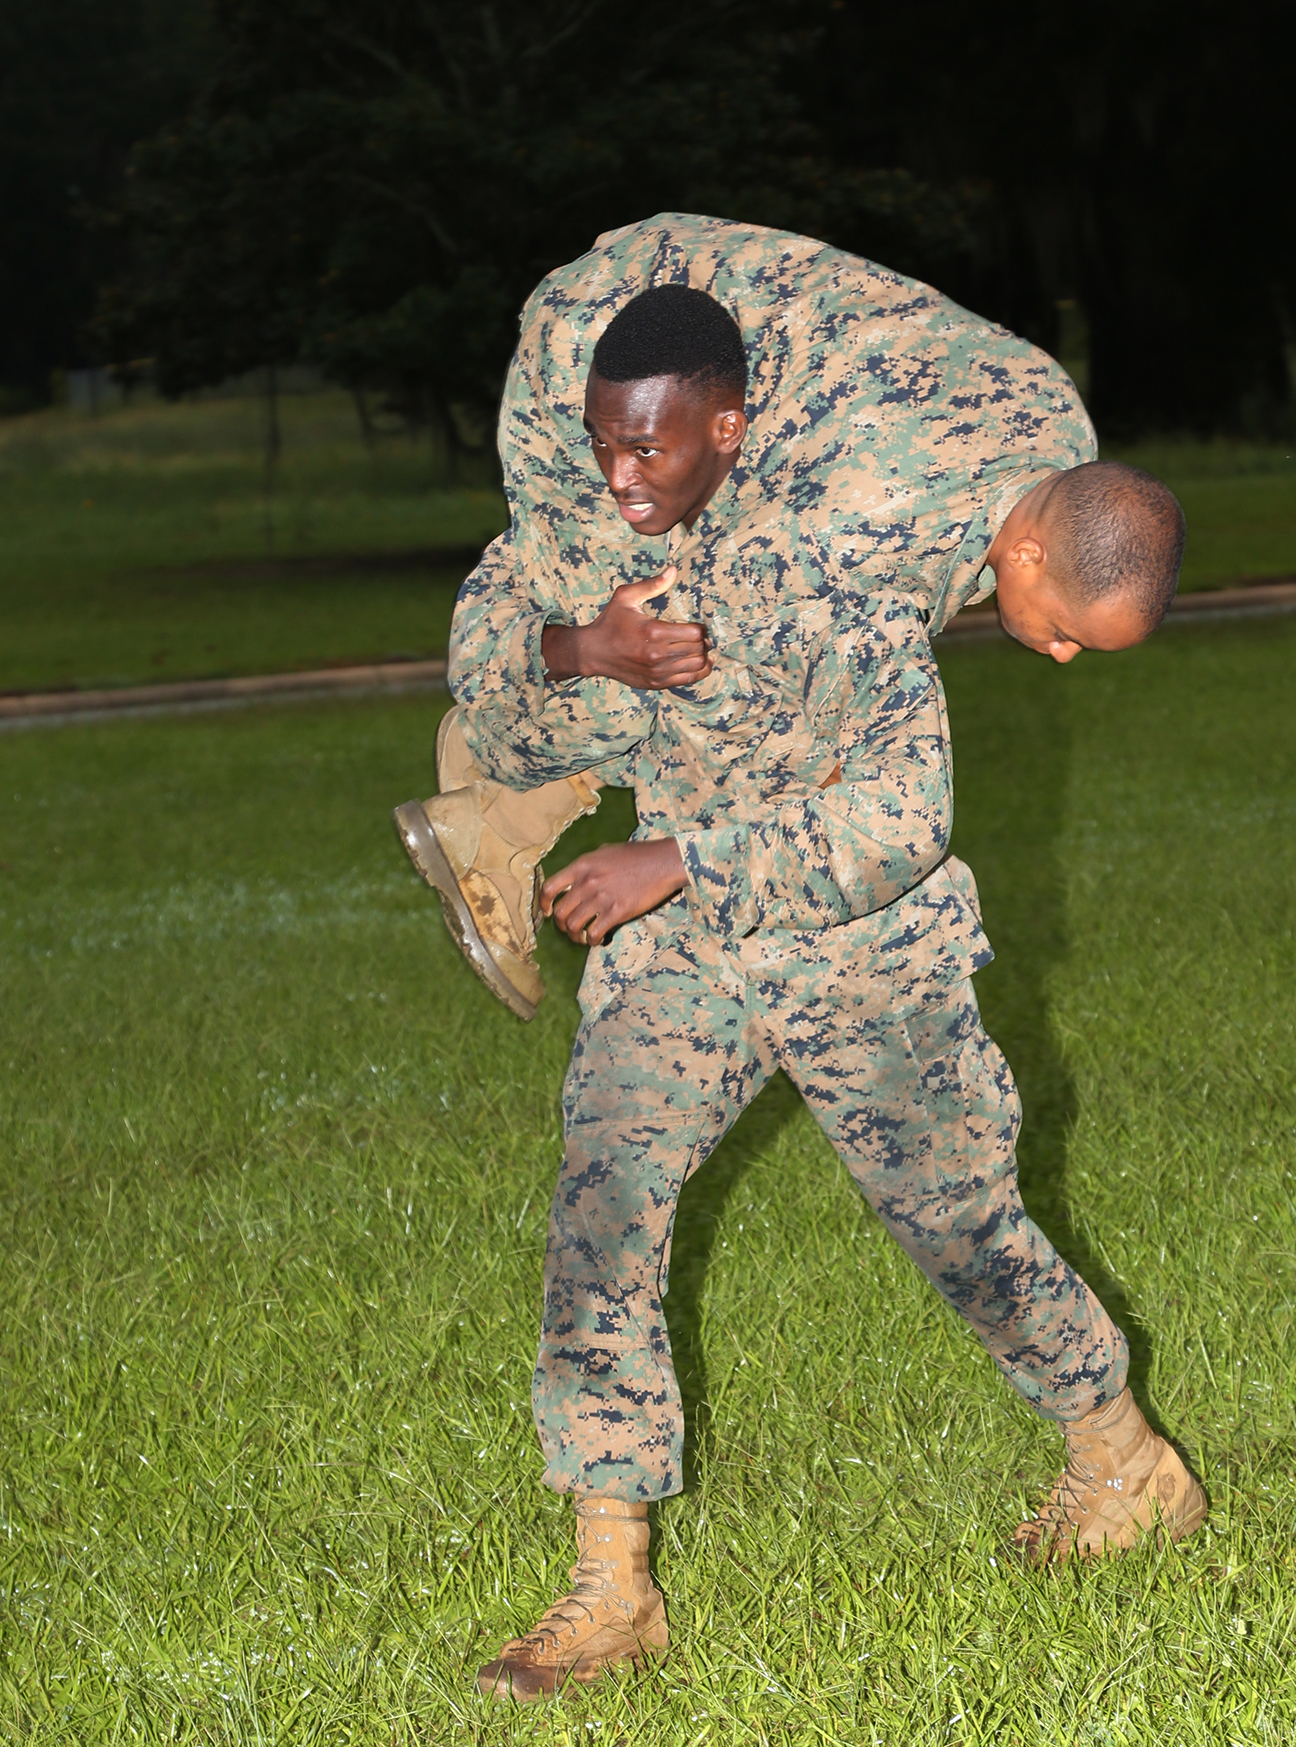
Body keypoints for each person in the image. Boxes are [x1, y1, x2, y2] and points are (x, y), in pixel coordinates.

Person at [398, 218, 1206, 1703]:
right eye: (1069, 628)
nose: (1065, 660)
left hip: (857, 946)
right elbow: (515, 646)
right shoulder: (714, 520)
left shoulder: (971, 486)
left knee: (965, 1230)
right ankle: (608, 1584)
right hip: (683, 945)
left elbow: (900, 816)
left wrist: (676, 852)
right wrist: (578, 658)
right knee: (603, 1210)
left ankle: (1122, 1455)